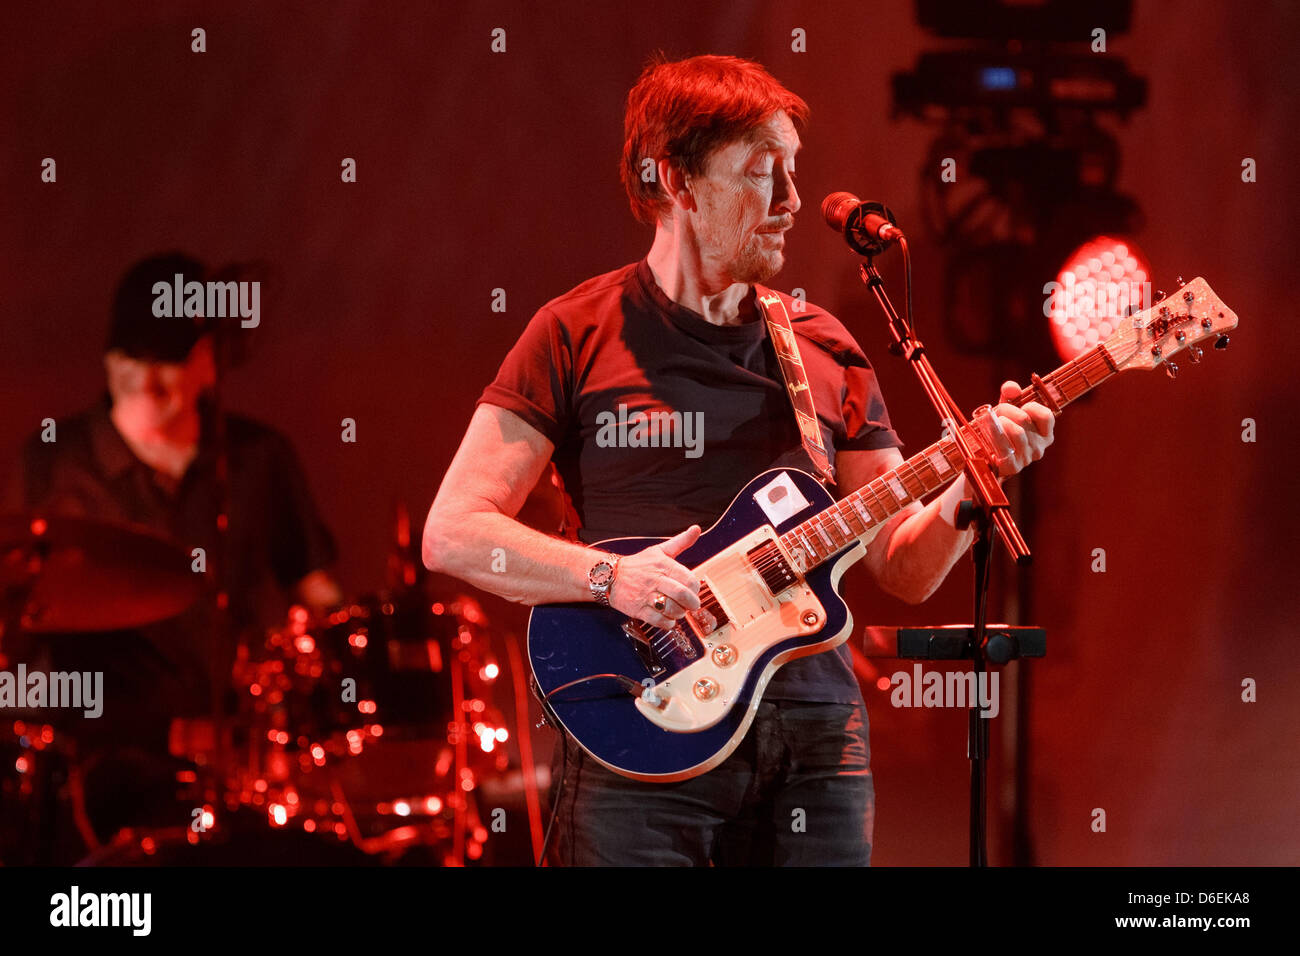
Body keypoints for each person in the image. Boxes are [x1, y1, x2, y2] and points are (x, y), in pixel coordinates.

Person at [422, 54, 1054, 866]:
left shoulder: (823, 345)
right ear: (677, 182)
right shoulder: (573, 333)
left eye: (792, 170)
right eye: (762, 173)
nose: (791, 201)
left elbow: (902, 564)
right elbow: (456, 532)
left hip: (815, 740)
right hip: (640, 726)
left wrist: (971, 486)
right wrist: (612, 580)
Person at [6, 252, 342, 853]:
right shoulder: (54, 463)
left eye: (168, 365)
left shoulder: (260, 458)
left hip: (241, 767)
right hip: (96, 767)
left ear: (210, 363)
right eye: (130, 366)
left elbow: (320, 600)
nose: (148, 386)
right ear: (109, 363)